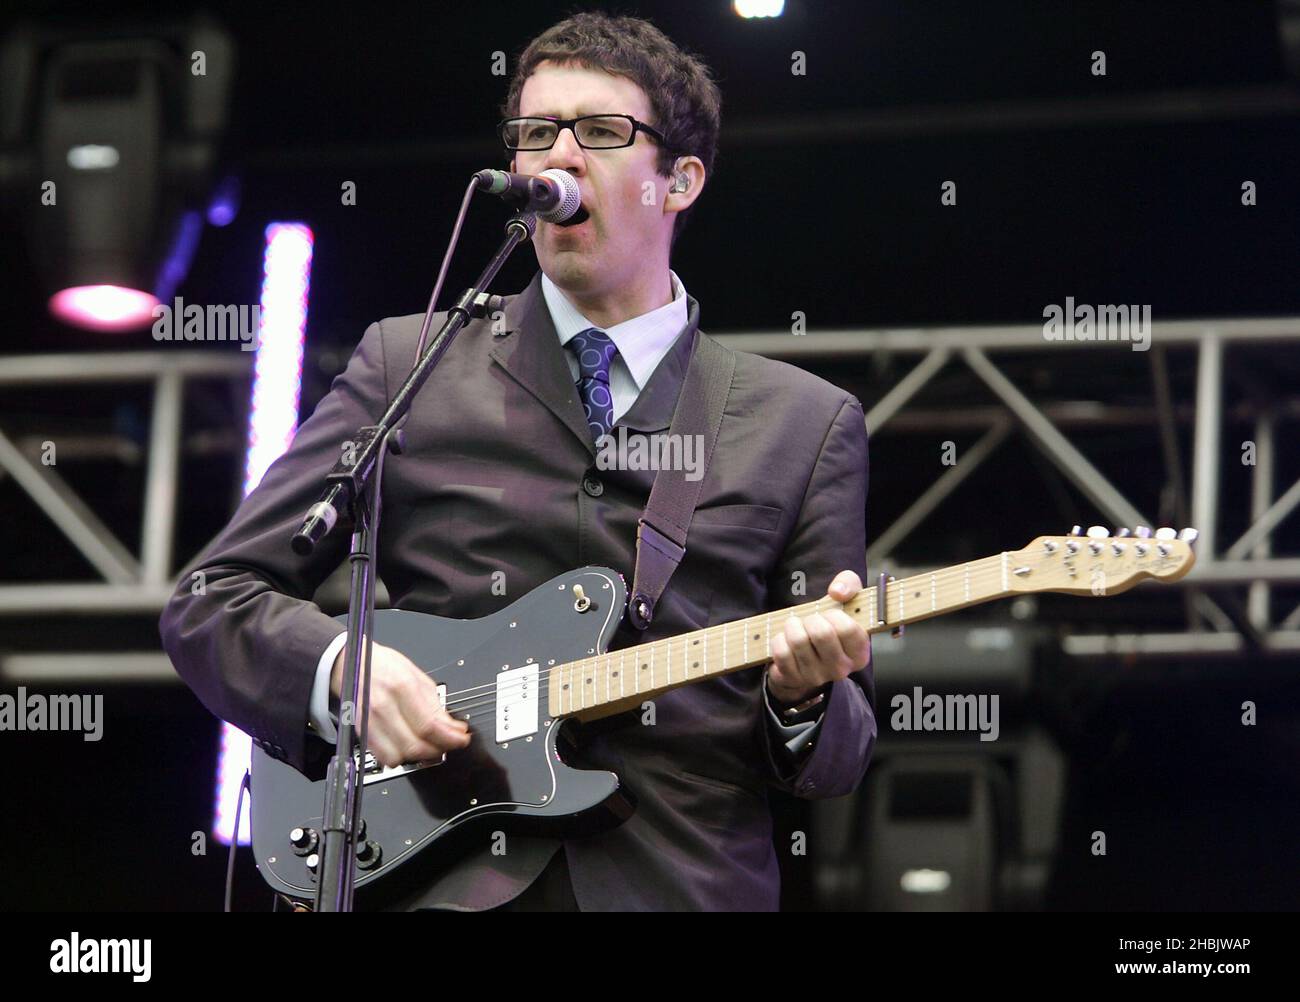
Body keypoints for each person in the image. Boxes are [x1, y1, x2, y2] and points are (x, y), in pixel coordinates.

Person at [160, 11, 876, 911]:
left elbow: (844, 754)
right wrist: (341, 665)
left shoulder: (803, 423)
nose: (559, 159)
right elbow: (211, 599)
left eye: (603, 133)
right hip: (428, 884)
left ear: (680, 182)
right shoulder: (409, 364)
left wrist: (803, 698)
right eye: (538, 134)